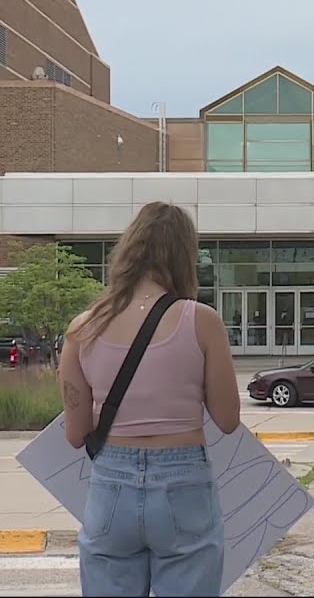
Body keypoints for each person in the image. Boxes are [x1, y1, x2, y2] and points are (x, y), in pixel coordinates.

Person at [58, 201, 241, 597]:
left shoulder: (83, 329)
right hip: (183, 483)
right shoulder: (201, 320)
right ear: (185, 257)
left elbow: (76, 435)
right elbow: (228, 419)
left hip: (111, 487)